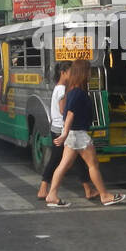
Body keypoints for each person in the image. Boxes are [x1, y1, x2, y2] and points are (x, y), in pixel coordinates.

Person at [45, 60, 126, 208]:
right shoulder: (78, 92)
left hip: (72, 134)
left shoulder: (72, 90)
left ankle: (52, 194)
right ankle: (104, 195)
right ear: (83, 73)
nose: (90, 74)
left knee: (63, 165)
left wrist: (65, 133)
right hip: (77, 134)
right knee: (93, 165)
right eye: (89, 71)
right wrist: (64, 134)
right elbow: (69, 114)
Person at [36, 60, 97, 202]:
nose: (73, 75)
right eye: (71, 72)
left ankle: (88, 189)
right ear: (63, 73)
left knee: (76, 161)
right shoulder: (63, 90)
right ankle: (44, 189)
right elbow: (65, 111)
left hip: (59, 129)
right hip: (61, 130)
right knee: (58, 160)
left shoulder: (59, 88)